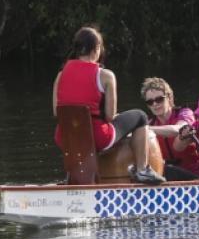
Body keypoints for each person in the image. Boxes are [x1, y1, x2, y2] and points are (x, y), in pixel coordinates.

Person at [52, 25, 164, 184]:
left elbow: (57, 112)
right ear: (97, 47)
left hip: (65, 138)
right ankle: (142, 170)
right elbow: (111, 116)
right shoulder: (105, 75)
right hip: (96, 138)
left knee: (77, 130)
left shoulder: (60, 74)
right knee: (140, 117)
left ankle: (72, 176)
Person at [141, 77, 199, 180]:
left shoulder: (185, 112)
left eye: (159, 99)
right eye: (150, 102)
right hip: (168, 178)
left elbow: (178, 129)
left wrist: (145, 129)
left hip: (194, 175)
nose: (155, 104)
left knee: (167, 170)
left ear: (169, 98)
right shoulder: (151, 124)